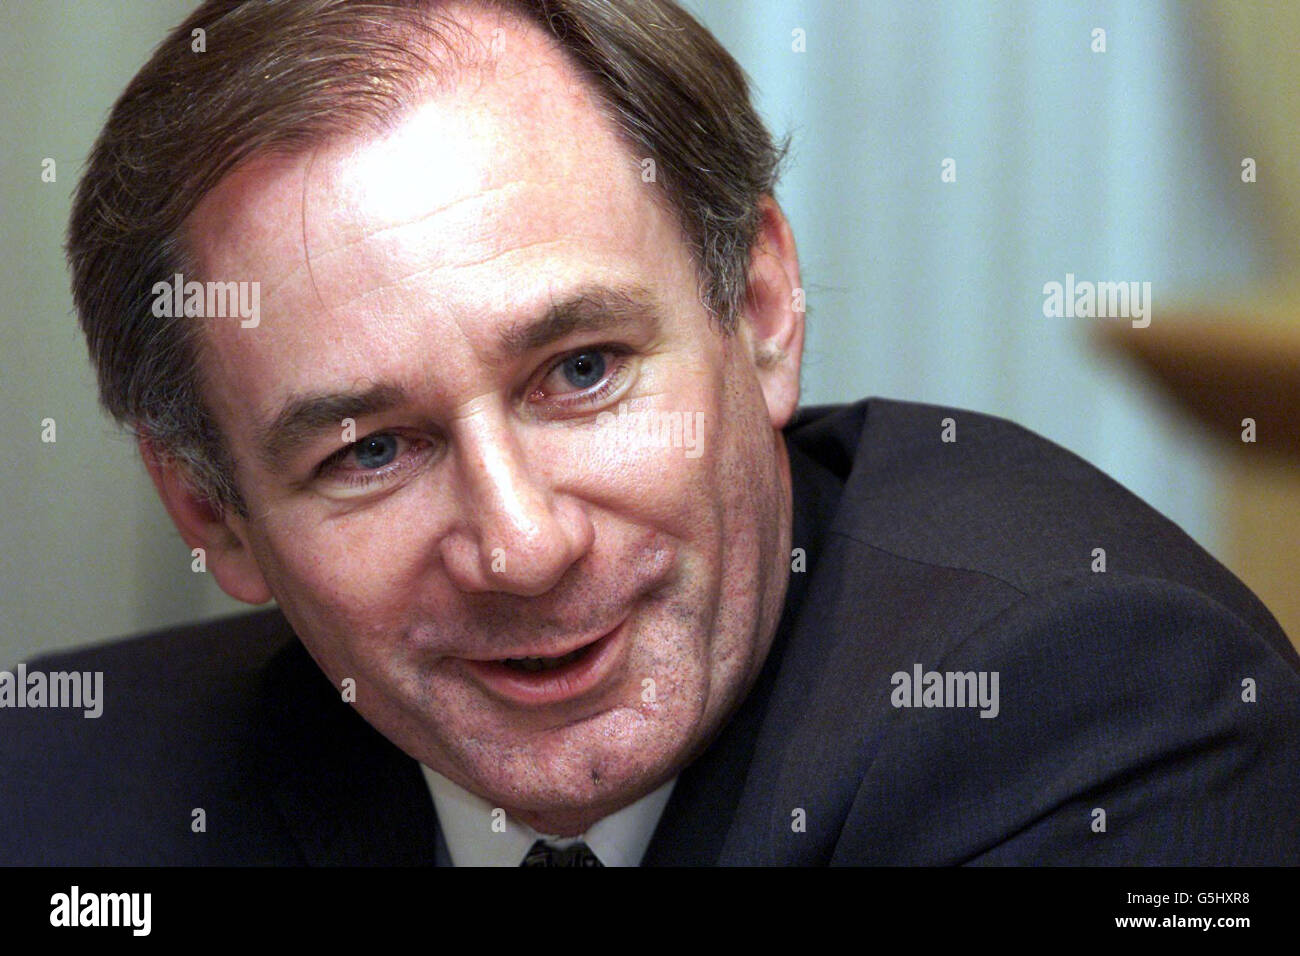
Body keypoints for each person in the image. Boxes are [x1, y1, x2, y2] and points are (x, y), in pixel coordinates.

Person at [2, 0, 1297, 866]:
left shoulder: (1096, 707)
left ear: (764, 310)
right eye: (370, 453)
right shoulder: (62, 793)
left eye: (581, 370)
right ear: (213, 514)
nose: (521, 546)